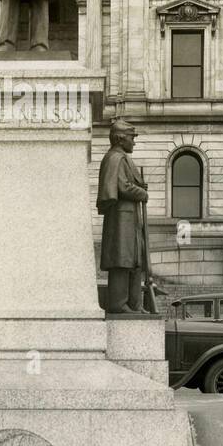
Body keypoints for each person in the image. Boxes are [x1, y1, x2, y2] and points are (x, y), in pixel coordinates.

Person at [96, 118, 150, 314]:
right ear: (120, 139)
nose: (133, 142)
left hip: (130, 218)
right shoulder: (115, 158)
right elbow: (121, 186)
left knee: (135, 261)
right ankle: (119, 304)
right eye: (131, 138)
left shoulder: (123, 158)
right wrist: (141, 193)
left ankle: (135, 304)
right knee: (122, 260)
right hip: (121, 219)